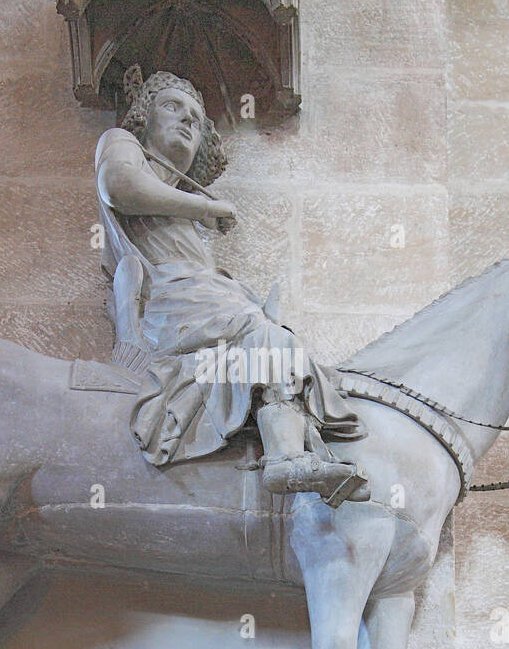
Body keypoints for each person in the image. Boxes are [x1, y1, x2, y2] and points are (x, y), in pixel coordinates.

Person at [95, 66, 368, 503]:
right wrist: (200, 206)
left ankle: (290, 433)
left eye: (197, 118)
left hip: (198, 301)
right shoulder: (121, 144)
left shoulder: (183, 211)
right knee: (259, 333)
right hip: (170, 305)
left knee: (273, 340)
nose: (187, 119)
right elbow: (120, 185)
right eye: (172, 106)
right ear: (143, 117)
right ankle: (284, 461)